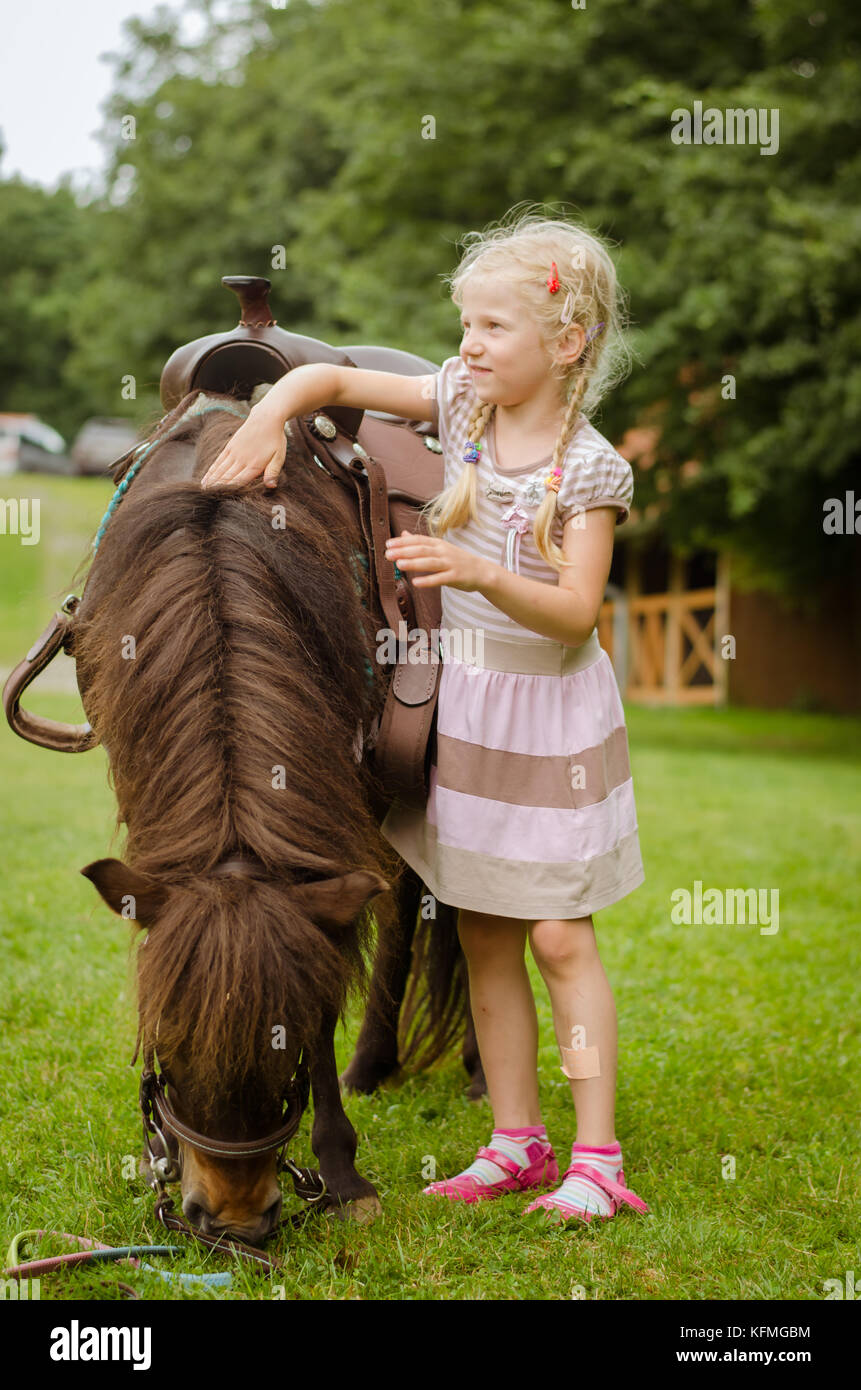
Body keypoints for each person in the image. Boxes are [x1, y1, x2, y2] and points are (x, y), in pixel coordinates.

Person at [200, 208, 649, 1227]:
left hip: (549, 723)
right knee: (484, 928)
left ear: (565, 342)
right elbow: (333, 381)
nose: (468, 346)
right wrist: (274, 412)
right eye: (466, 325)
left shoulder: (588, 468)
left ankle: (599, 1155)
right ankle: (516, 1141)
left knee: (559, 937)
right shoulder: (457, 404)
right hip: (474, 711)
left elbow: (579, 616)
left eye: (492, 327)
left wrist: (479, 569)